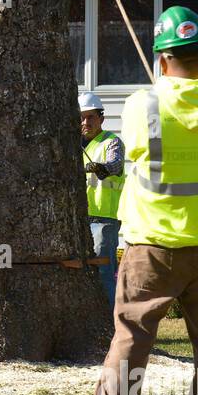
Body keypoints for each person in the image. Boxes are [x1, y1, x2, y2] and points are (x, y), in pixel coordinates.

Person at [66, 7, 198, 395]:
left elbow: (145, 145)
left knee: (131, 339)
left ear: (161, 59)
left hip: (153, 245)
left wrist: (162, 83)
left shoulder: (142, 105)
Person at [80, 91, 125, 309]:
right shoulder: (73, 145)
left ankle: (111, 323)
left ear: (101, 119)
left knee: (104, 274)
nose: (85, 122)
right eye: (82, 117)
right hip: (78, 219)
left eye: (91, 117)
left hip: (104, 219)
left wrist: (102, 168)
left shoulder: (111, 142)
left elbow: (115, 164)